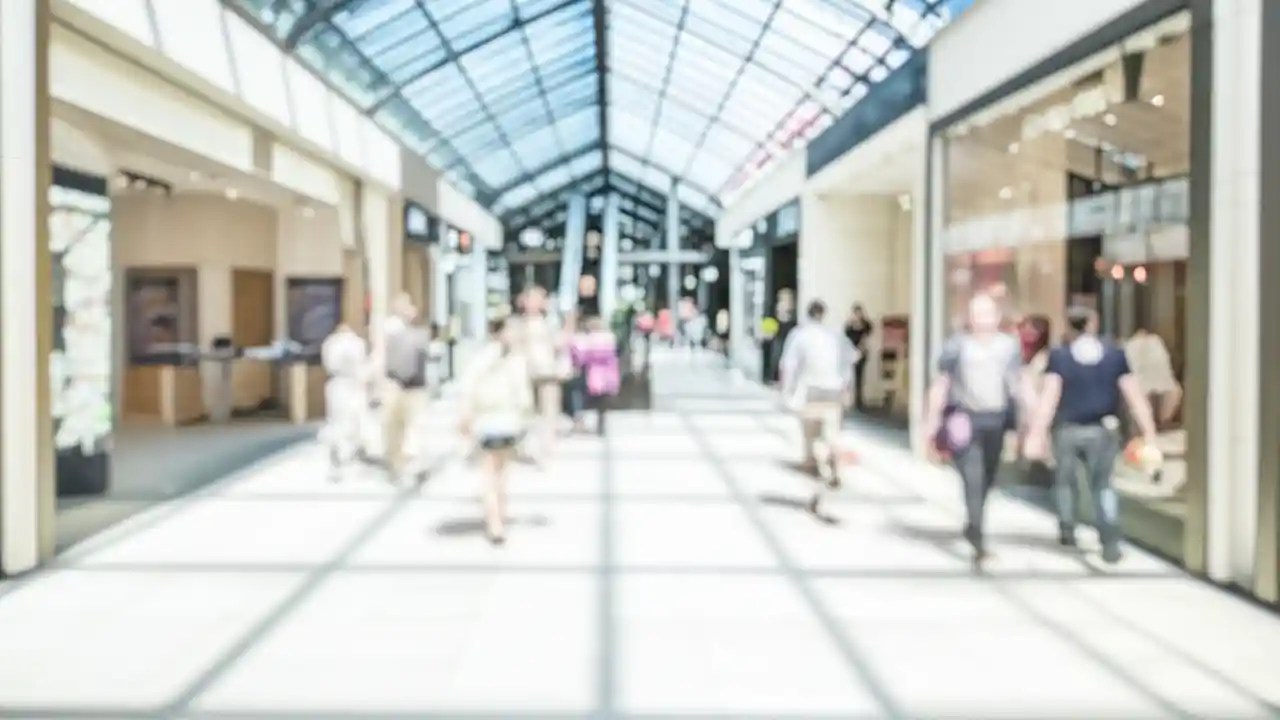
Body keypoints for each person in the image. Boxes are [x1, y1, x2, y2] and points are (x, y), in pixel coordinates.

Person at [1025, 307, 1159, 564]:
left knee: (1065, 480)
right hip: (1102, 429)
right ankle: (1109, 536)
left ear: (1069, 326)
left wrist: (1037, 432)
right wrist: (1149, 429)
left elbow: (1049, 398)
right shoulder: (1114, 356)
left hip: (1066, 430)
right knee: (1103, 484)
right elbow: (1133, 395)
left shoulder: (1060, 357)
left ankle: (1067, 528)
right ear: (1093, 323)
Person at [923, 294, 1024, 563]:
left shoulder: (1008, 346)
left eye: (987, 313)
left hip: (997, 419)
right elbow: (941, 383)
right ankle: (978, 536)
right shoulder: (957, 346)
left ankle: (973, 522)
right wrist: (931, 421)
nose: (982, 319)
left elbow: (1016, 382)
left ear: (997, 316)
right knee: (973, 476)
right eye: (977, 314)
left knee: (989, 477)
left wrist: (1030, 418)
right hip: (964, 419)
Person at [779, 300, 858, 520]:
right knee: (831, 434)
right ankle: (831, 462)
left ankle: (821, 473)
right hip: (834, 392)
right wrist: (848, 389)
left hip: (810, 392)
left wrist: (787, 392)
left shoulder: (800, 335)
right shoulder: (836, 335)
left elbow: (789, 365)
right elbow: (849, 362)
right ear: (824, 314)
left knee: (812, 440)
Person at [461, 317, 533, 545]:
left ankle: (497, 517)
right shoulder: (490, 358)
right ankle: (495, 521)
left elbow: (523, 395)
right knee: (493, 472)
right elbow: (470, 387)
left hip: (505, 420)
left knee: (501, 473)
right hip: (492, 419)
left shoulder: (513, 358)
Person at [509, 286, 562, 464]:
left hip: (548, 371)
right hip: (525, 372)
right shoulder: (517, 323)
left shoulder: (550, 322)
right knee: (526, 411)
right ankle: (525, 445)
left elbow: (558, 345)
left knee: (549, 411)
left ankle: (547, 447)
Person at [382, 293, 431, 485]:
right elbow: (382, 356)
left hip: (415, 386)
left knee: (413, 426)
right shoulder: (390, 329)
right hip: (395, 384)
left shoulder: (418, 332)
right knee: (395, 428)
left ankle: (409, 463)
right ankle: (397, 466)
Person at [319, 322, 368, 481]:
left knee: (336, 420)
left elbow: (327, 364)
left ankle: (337, 458)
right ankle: (356, 453)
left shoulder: (330, 343)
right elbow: (361, 362)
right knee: (356, 419)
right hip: (354, 383)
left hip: (336, 382)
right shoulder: (357, 343)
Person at [570, 315, 621, 435]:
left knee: (589, 397)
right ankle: (601, 422)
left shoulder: (587, 340)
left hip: (593, 374)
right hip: (608, 375)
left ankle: (582, 420)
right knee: (602, 402)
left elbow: (581, 356)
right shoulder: (610, 338)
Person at [1124, 325, 1182, 429]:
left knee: (1173, 391)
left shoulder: (1152, 344)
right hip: (1144, 377)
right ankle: (1160, 422)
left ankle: (1160, 422)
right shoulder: (1152, 343)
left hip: (1151, 377)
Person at [844, 304, 874, 410]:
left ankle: (859, 400)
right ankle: (851, 399)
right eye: (856, 313)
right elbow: (847, 337)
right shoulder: (849, 326)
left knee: (860, 376)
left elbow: (868, 333)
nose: (858, 315)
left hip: (862, 351)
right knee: (851, 377)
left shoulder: (866, 324)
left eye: (859, 313)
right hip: (852, 352)